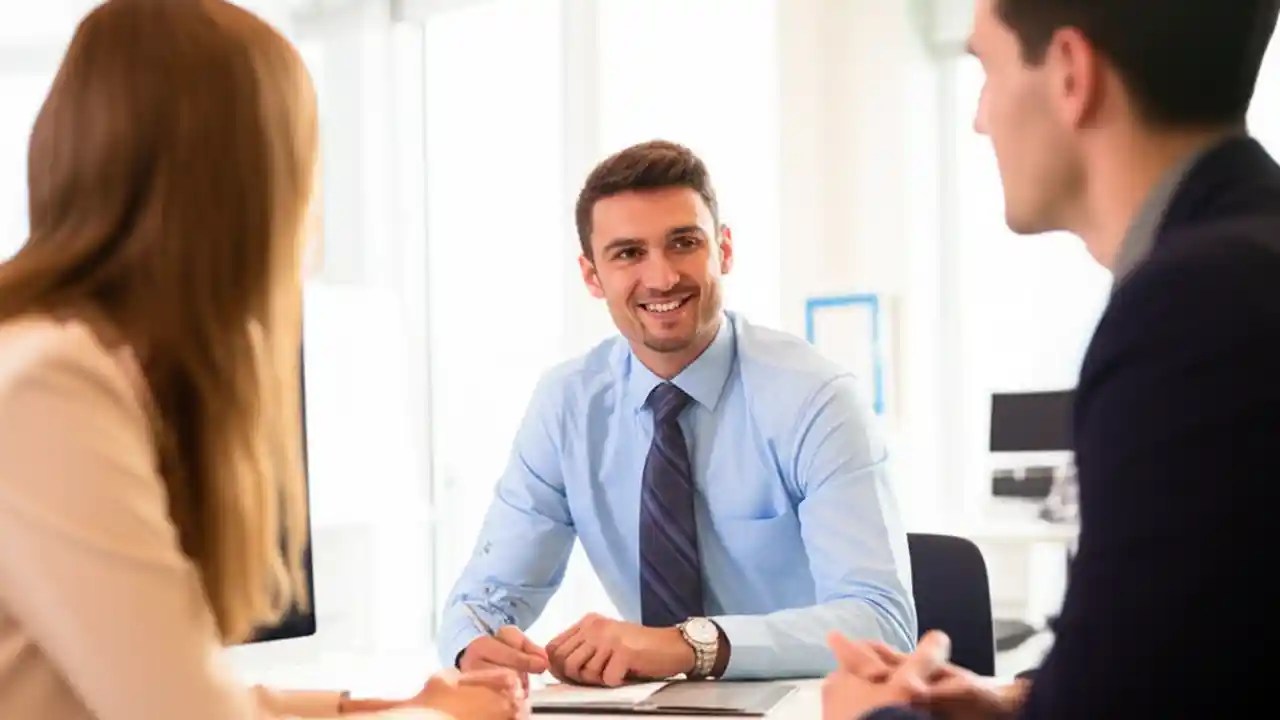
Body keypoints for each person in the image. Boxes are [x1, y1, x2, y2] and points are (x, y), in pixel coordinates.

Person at [0, 2, 524, 718]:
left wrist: (357, 707)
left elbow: (156, 683)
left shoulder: (42, 360)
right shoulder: (46, 389)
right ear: (242, 195)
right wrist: (439, 717)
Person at [822, 0, 1280, 718]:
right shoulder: (1245, 264)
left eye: (986, 67)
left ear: (1071, 73)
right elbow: (1202, 660)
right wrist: (1014, 703)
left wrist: (870, 717)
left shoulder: (1192, 313)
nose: (978, 117)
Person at [439, 139, 916, 687]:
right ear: (592, 276)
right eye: (627, 253)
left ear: (725, 250)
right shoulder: (567, 406)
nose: (662, 278)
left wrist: (687, 646)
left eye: (684, 243)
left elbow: (883, 625)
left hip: (805, 706)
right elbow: (486, 597)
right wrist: (476, 647)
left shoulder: (815, 399)